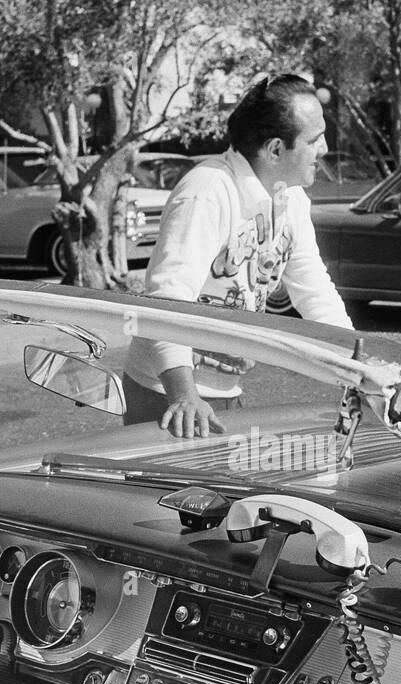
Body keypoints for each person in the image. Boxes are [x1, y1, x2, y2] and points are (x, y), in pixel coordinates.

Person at [123, 73, 354, 438]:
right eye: (314, 139)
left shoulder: (291, 198)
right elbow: (166, 301)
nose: (324, 149)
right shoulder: (207, 192)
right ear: (275, 150)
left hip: (224, 393)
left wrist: (359, 370)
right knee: (179, 497)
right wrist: (184, 396)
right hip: (167, 395)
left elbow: (315, 291)